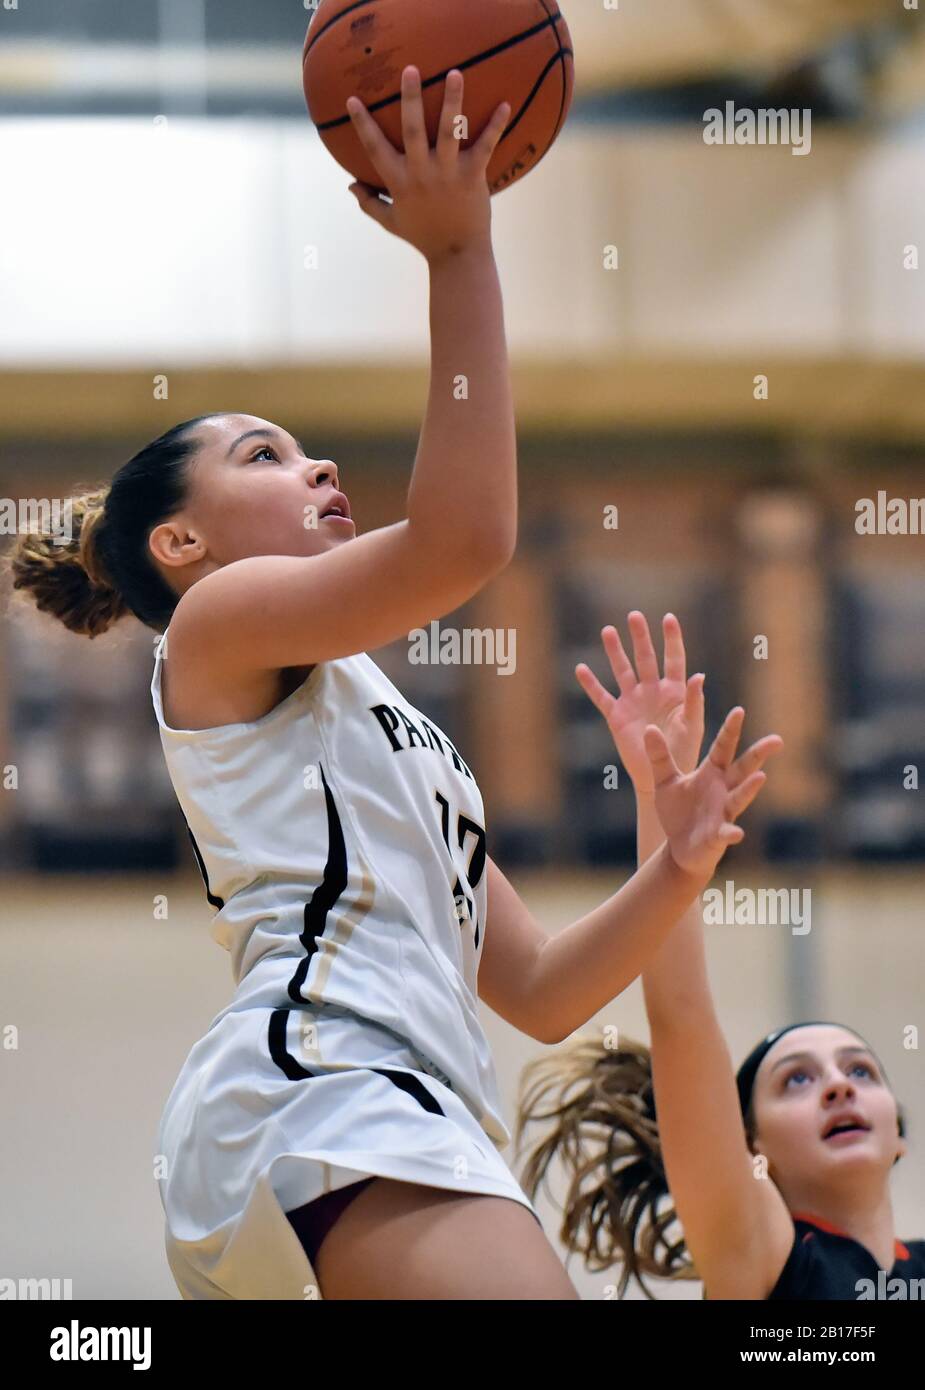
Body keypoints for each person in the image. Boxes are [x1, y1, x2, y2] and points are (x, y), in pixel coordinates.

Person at [6, 73, 779, 1300]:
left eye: (303, 447)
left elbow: (537, 988)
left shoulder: (387, 721)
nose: (314, 463)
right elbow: (464, 538)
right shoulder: (213, 628)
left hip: (379, 1112)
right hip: (324, 1087)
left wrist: (671, 863)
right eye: (264, 455)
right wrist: (461, 251)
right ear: (180, 543)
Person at [514, 612, 924, 1300]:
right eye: (795, 1079)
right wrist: (658, 807)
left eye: (860, 1070)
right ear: (750, 1152)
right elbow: (679, 1014)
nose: (838, 1085)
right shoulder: (760, 1259)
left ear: (898, 1137)